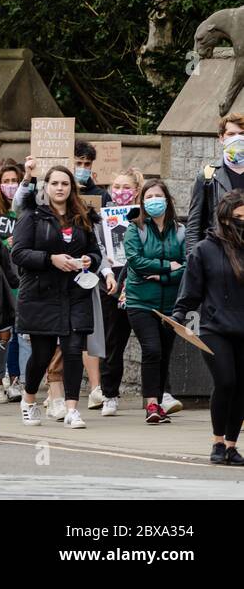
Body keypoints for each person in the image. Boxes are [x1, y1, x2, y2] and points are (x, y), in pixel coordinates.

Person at [12, 165, 106, 429]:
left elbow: (96, 252)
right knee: (41, 355)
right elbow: (18, 254)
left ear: (71, 188)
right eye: (55, 183)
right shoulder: (32, 216)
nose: (60, 188)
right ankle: (29, 399)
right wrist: (50, 259)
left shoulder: (83, 217)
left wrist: (90, 260)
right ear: (46, 187)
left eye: (65, 184)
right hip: (41, 294)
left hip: (75, 292)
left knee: (74, 349)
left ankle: (72, 409)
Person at [174, 190, 244, 464]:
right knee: (226, 381)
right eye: (238, 217)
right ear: (225, 218)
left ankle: (231, 445)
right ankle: (216, 442)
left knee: (241, 387)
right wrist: (179, 314)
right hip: (215, 329)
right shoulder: (205, 249)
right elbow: (191, 290)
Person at [121, 179, 185, 424]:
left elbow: (188, 265)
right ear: (142, 201)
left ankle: (158, 403)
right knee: (152, 349)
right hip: (140, 302)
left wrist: (163, 275)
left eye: (158, 195)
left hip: (170, 303)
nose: (153, 201)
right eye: (148, 197)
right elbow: (135, 262)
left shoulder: (179, 230)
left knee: (165, 353)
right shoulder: (135, 228)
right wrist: (169, 266)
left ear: (167, 199)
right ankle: (151, 404)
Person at [96, 166, 143, 415]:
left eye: (126, 188)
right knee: (112, 341)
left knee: (151, 340)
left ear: (136, 191)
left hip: (139, 283)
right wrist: (107, 273)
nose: (121, 192)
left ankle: (157, 395)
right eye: (117, 187)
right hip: (111, 283)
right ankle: (110, 394)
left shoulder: (143, 217)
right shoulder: (102, 218)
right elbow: (98, 249)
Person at [0, 159, 24, 404]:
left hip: (22, 275)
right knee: (4, 333)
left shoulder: (25, 209)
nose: (10, 186)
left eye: (15, 181)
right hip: (0, 278)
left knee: (21, 331)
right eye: (6, 181)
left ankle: (16, 380)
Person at [187, 112, 244, 256]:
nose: (237, 138)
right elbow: (194, 225)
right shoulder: (207, 176)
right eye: (231, 134)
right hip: (219, 253)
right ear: (221, 138)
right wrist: (192, 261)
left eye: (242, 133)